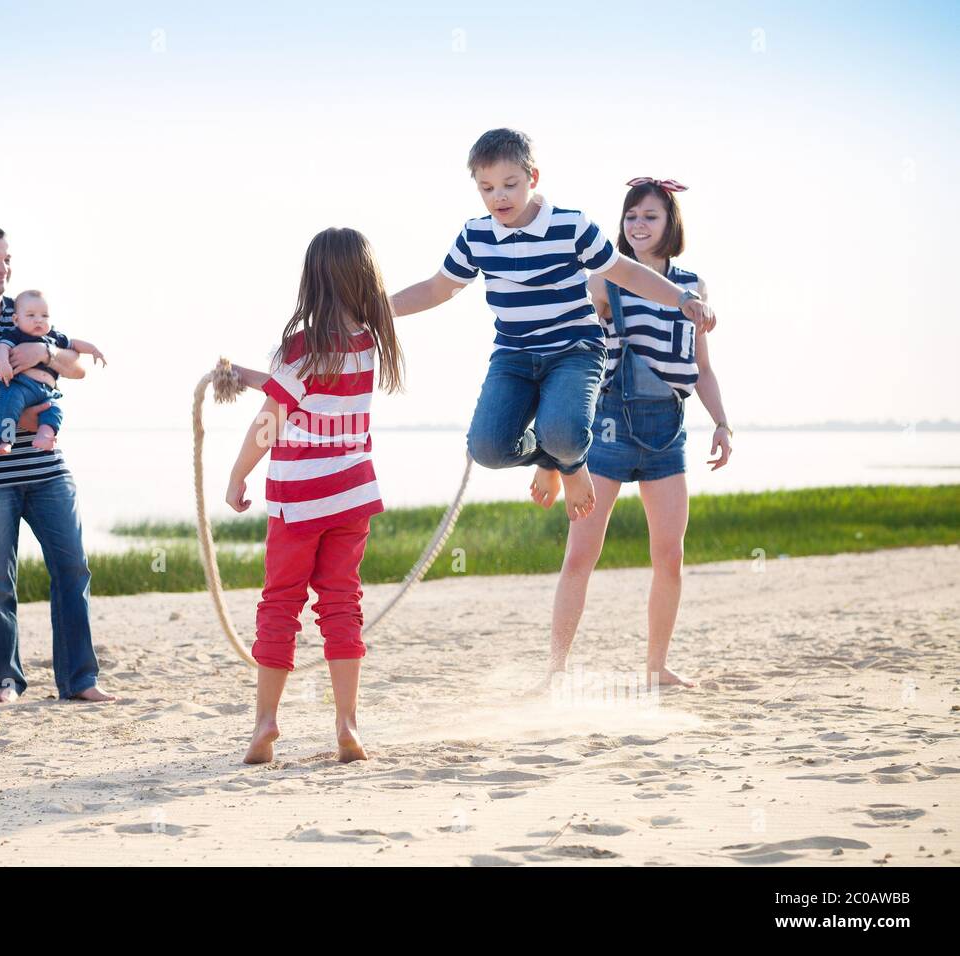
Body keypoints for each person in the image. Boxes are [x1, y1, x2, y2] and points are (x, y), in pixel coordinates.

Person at [389, 128, 715, 520]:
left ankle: (571, 462)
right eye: (487, 188)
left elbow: (626, 272)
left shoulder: (571, 226)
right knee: (486, 449)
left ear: (533, 179)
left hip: (575, 352)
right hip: (514, 356)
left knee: (565, 432)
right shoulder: (476, 236)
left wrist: (682, 299)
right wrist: (378, 309)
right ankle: (557, 458)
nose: (499, 197)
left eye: (510, 184)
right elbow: (437, 289)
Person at [531, 178, 733, 689]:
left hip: (668, 431)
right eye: (631, 217)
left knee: (670, 556)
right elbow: (570, 363)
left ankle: (657, 667)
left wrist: (723, 424)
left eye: (650, 217)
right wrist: (551, 458)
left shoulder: (694, 287)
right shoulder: (603, 280)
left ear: (670, 225)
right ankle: (554, 673)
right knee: (581, 554)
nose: (638, 225)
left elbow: (701, 367)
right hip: (607, 430)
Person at [225, 227, 405, 764]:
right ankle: (347, 723)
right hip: (351, 497)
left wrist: (237, 475)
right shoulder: (368, 344)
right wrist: (244, 374)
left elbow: (271, 419)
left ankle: (265, 724)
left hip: (299, 502)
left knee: (280, 604)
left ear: (313, 279)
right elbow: (303, 389)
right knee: (341, 604)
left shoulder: (302, 346)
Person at [0, 221, 114, 703]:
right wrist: (27, 423)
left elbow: (77, 368)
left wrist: (43, 349)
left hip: (48, 471)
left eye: (6, 259)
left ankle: (79, 681)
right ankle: (7, 681)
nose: (2, 268)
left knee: (73, 570)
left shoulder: (26, 309)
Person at [0, 289, 107, 455]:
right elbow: (1, 348)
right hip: (22, 386)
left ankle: (45, 437)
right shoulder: (16, 334)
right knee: (8, 403)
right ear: (16, 320)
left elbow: (74, 344)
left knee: (54, 411)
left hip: (47, 392)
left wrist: (93, 349)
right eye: (31, 316)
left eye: (44, 316)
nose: (38, 320)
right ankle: (5, 440)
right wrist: (3, 364)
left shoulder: (54, 336)